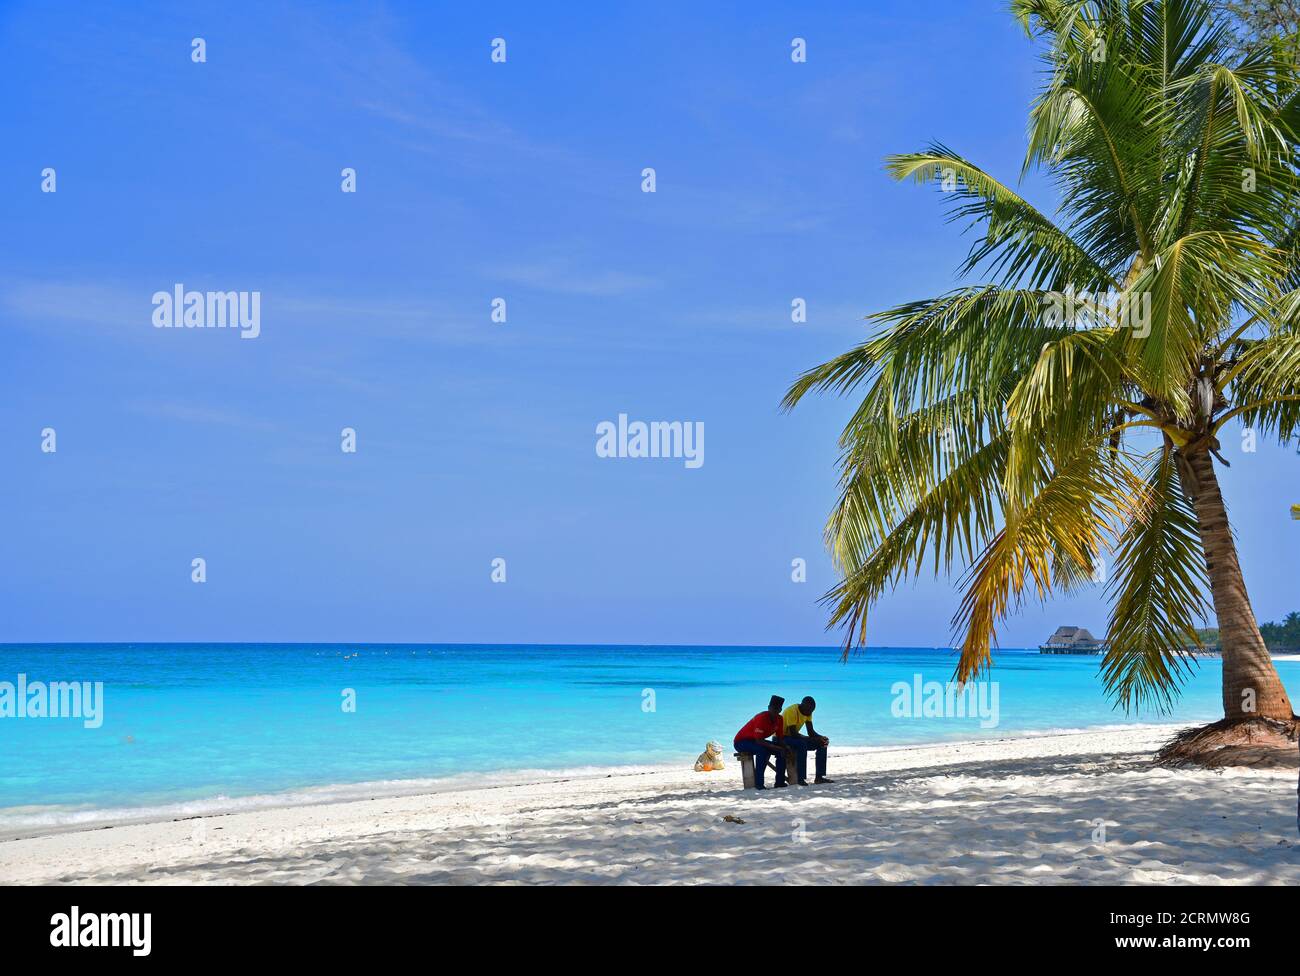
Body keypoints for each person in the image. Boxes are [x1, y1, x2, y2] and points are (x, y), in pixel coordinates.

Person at [733, 695, 788, 790]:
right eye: (773, 708)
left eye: (777, 709)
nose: (775, 711)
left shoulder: (780, 719)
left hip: (755, 741)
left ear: (780, 710)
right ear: (769, 708)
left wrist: (785, 747)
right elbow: (759, 741)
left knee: (782, 752)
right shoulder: (761, 718)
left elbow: (780, 738)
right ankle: (759, 784)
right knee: (762, 751)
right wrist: (776, 747)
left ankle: (780, 782)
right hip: (741, 742)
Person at [776, 696, 834, 786]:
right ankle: (800, 778)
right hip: (781, 738)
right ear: (802, 705)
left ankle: (819, 777)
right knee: (802, 744)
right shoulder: (792, 711)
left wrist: (821, 737)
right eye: (808, 710)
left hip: (792, 737)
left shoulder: (808, 712)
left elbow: (811, 732)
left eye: (811, 711)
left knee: (822, 743)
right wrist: (811, 739)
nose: (809, 713)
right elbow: (793, 734)